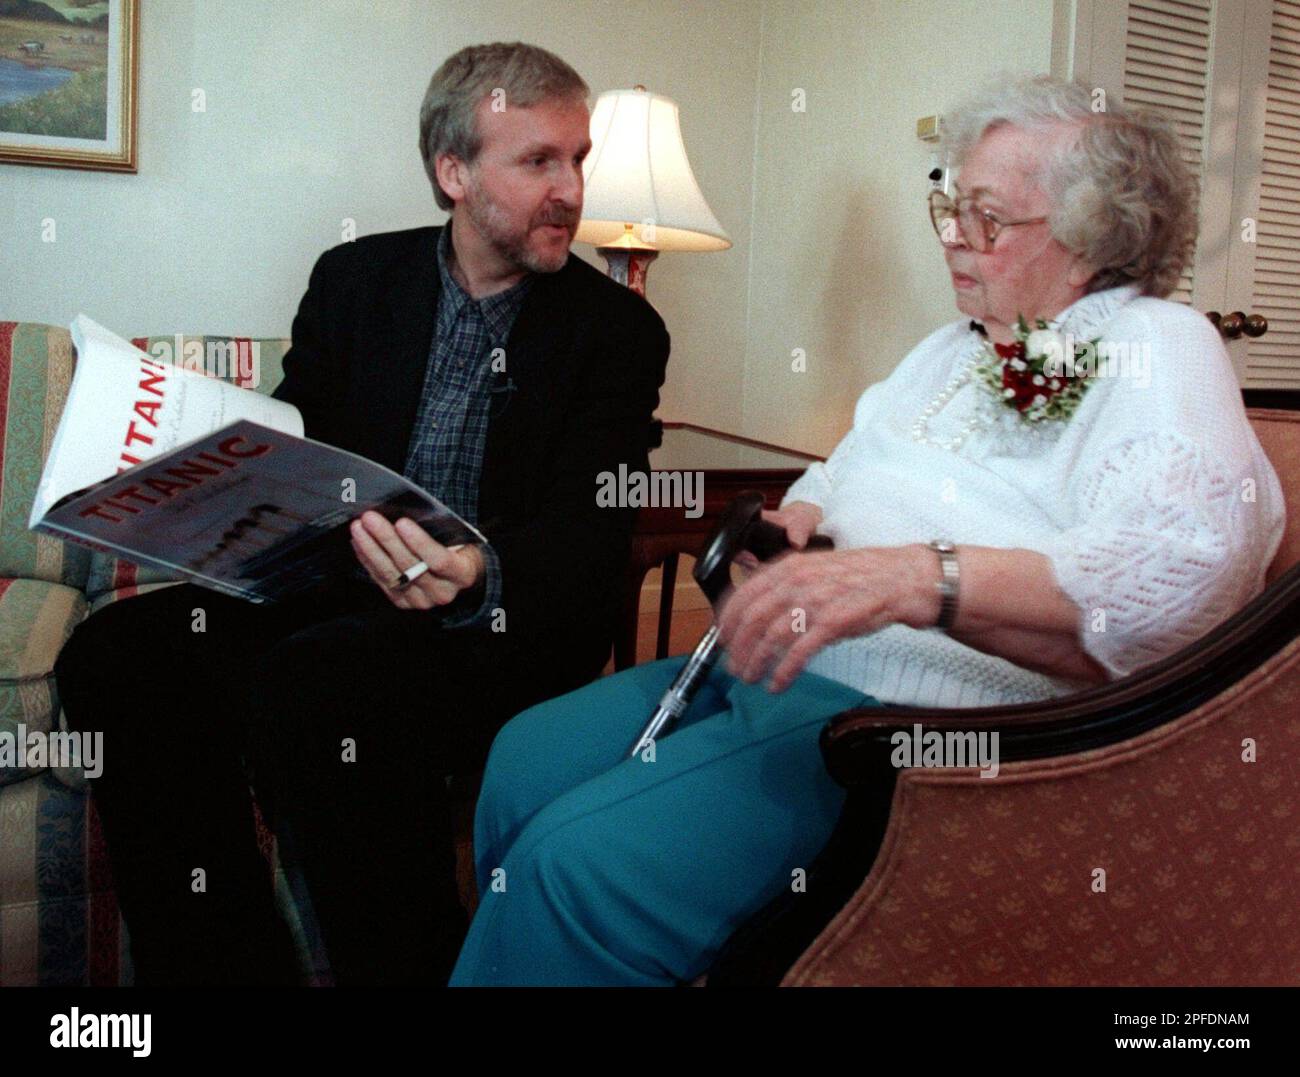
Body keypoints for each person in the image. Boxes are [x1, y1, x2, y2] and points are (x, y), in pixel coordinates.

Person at [447, 75, 1286, 986]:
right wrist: (797, 521)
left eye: (989, 219)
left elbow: (1177, 580)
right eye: (950, 206)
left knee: (577, 870)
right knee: (525, 756)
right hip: (778, 664)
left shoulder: (1157, 348)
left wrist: (921, 578)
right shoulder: (955, 347)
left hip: (903, 732)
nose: (955, 237)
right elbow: (843, 468)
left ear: (1094, 236)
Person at [54, 42, 669, 986]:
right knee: (117, 653)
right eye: (538, 160)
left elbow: (591, 529)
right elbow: (297, 449)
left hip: (493, 624)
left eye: (576, 159)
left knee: (325, 683)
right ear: (453, 172)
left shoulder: (616, 330)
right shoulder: (354, 282)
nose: (570, 190)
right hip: (335, 592)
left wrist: (477, 568)